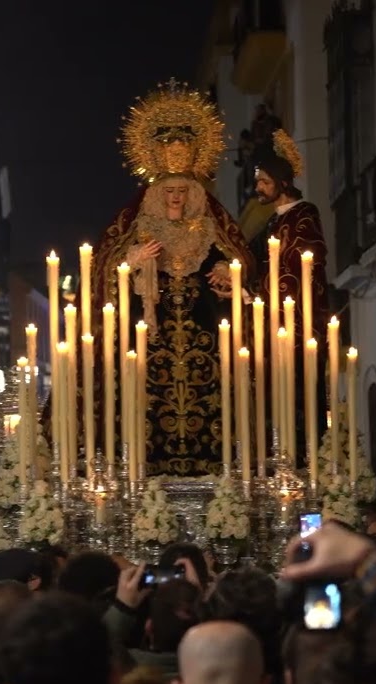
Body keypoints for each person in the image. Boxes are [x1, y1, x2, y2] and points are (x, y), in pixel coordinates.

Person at [91, 80, 255, 478]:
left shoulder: (211, 223)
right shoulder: (136, 223)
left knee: (216, 391)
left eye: (183, 191)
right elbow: (104, 271)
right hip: (151, 331)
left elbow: (237, 260)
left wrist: (225, 272)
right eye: (170, 192)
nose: (176, 198)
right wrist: (134, 260)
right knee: (146, 395)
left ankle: (219, 467)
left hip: (204, 329)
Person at [248, 128, 326, 462]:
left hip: (297, 324)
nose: (258, 189)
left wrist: (254, 290)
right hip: (274, 321)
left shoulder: (304, 215)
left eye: (264, 181)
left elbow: (296, 268)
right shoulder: (274, 222)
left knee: (299, 398)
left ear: (281, 182)